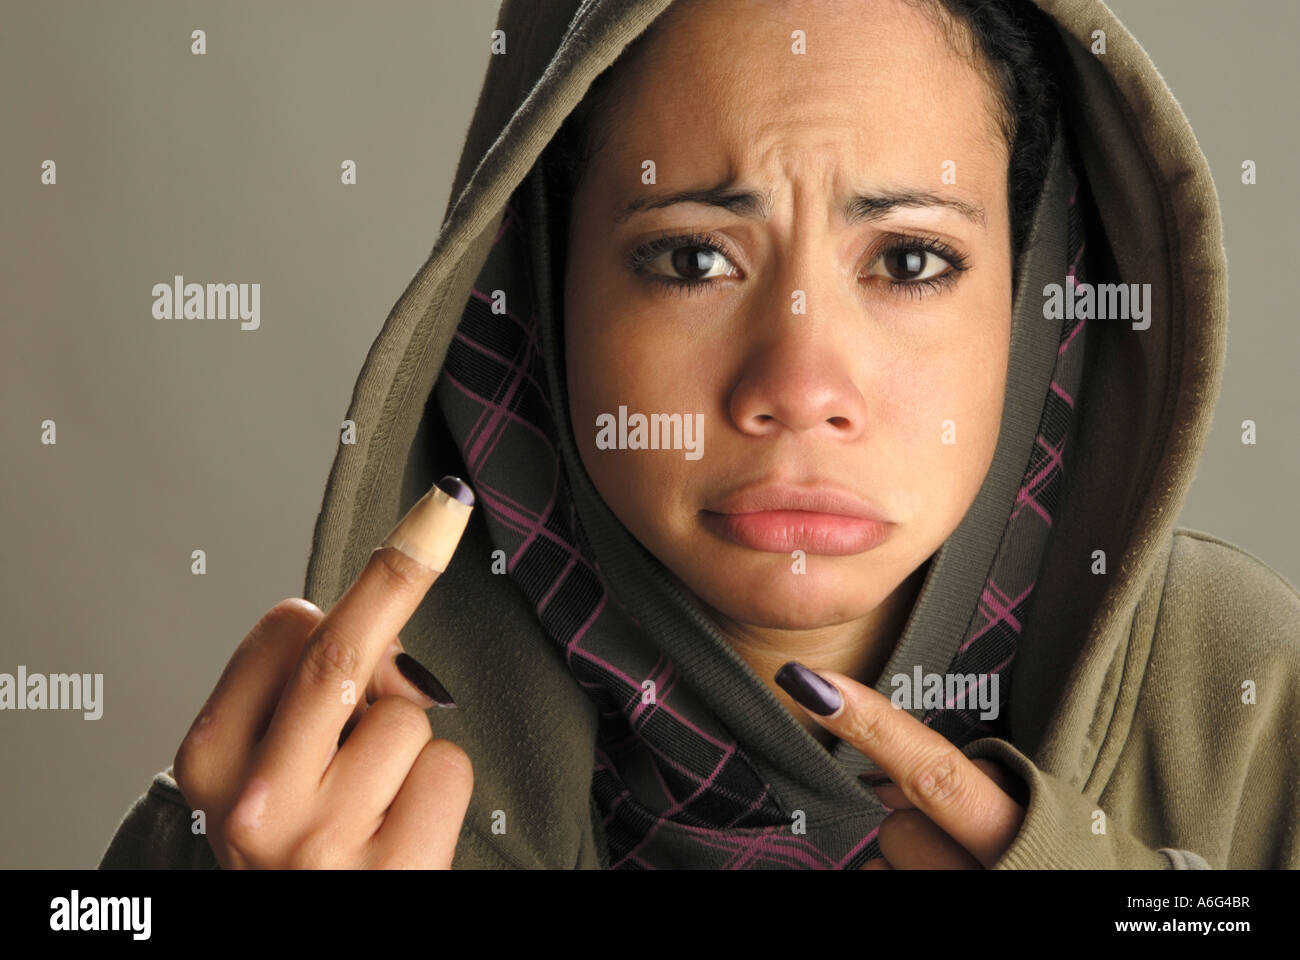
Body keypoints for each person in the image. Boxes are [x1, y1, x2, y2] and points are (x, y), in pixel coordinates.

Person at [100, 0, 1300, 870]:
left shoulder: (1243, 695)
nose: (797, 384)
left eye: (911, 260)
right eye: (691, 257)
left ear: (1037, 304)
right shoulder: (316, 796)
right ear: (537, 286)